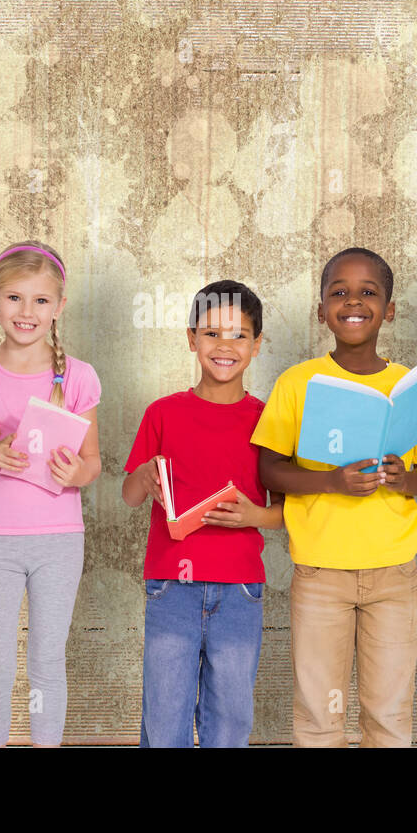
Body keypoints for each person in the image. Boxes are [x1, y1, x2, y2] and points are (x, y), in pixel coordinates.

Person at [252, 247, 417, 746]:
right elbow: (269, 468)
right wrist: (331, 482)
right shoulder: (297, 383)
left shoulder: (410, 385)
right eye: (338, 292)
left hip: (394, 571)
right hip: (320, 571)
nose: (352, 302)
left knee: (388, 714)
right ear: (321, 310)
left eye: (368, 292)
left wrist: (405, 479)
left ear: (389, 309)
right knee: (319, 715)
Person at [0, 242, 101, 747]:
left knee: (46, 660)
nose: (26, 312)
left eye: (39, 301)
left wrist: (76, 472)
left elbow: (94, 464)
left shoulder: (77, 377)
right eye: (14, 298)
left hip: (59, 540)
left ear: (58, 306)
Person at [123, 280, 284, 747]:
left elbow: (289, 512)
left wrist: (253, 515)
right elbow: (131, 494)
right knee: (165, 711)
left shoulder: (267, 419)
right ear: (191, 338)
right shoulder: (162, 414)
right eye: (211, 334)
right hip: (170, 587)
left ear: (257, 344)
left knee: (230, 715)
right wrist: (146, 477)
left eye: (238, 335)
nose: (224, 346)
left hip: (240, 592)